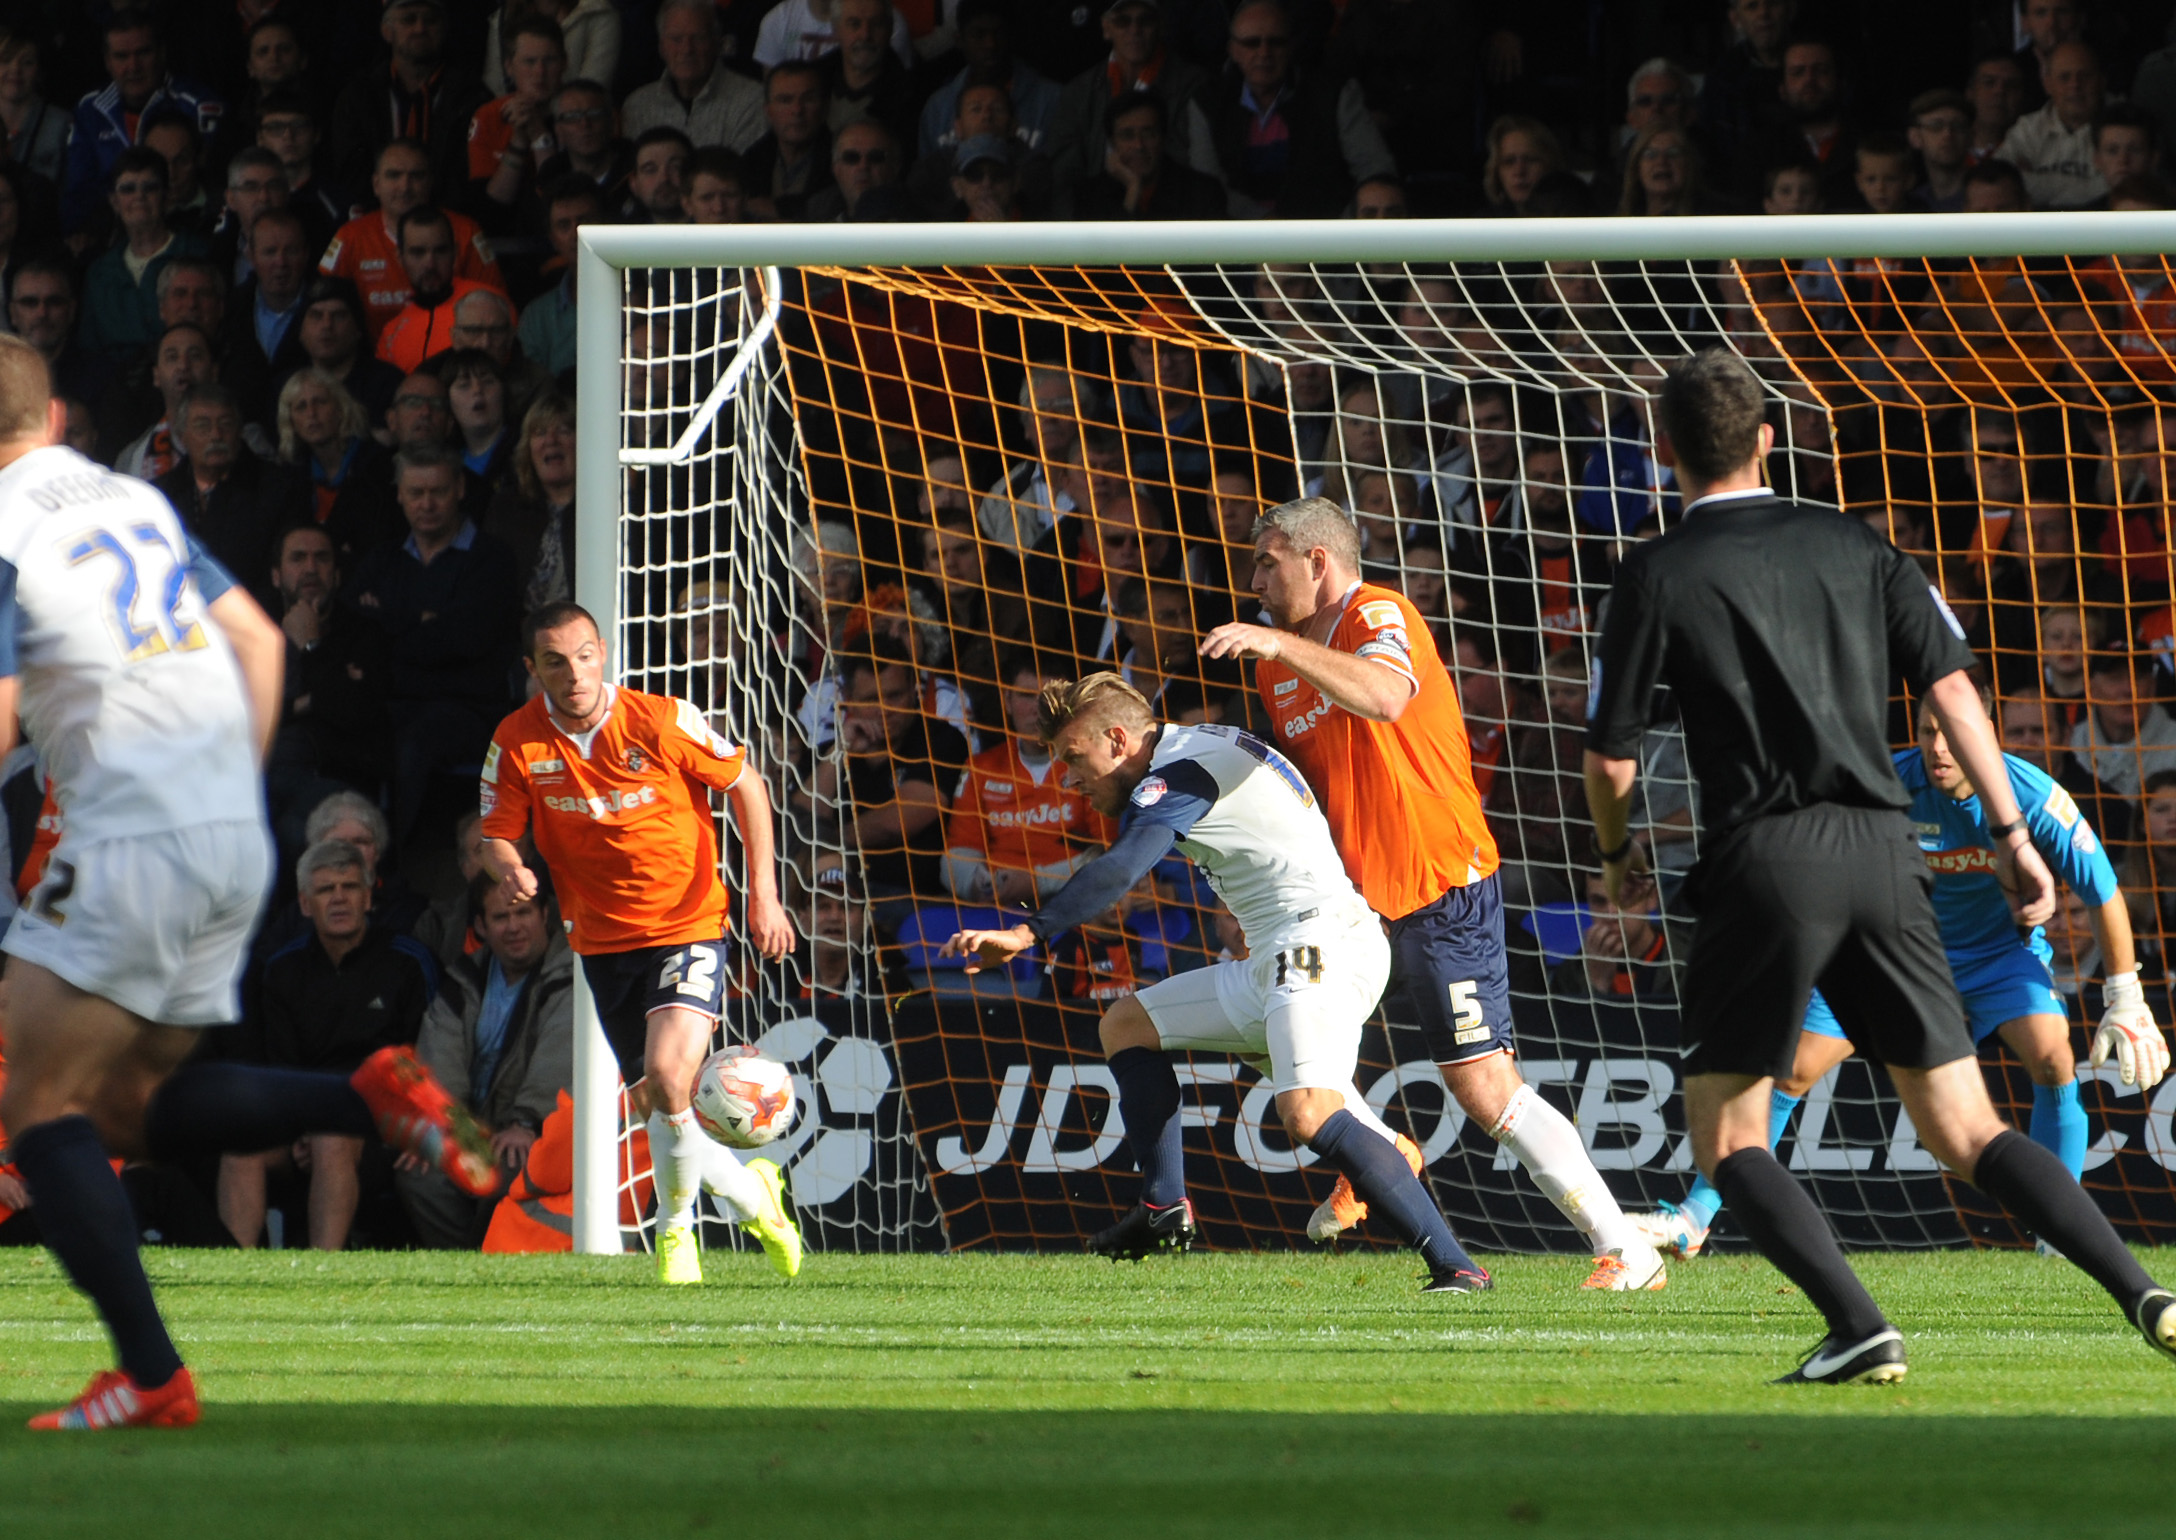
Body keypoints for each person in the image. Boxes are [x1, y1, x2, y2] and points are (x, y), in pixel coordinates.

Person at [1584, 345, 2176, 1382]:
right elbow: (1954, 694)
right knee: (1967, 1127)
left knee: (1731, 1134)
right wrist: (2010, 834)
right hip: (1883, 852)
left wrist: (1616, 852)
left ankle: (1858, 1324)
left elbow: (1609, 756)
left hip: (1766, 860)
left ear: (1665, 447)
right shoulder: (1859, 543)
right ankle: (2146, 1293)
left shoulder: (1656, 569)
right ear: (1769, 439)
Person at [0, 333, 489, 1431]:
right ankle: (363, 1095)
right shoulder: (132, 500)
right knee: (122, 1108)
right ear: (58, 418)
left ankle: (153, 1376)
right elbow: (262, 646)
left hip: (124, 832)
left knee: (37, 1109)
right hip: (225, 829)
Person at [1198, 496, 1667, 1291]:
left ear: (1318, 561)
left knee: (1483, 1086)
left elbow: (1386, 696)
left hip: (1441, 885)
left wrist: (1278, 641)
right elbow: (1303, 793)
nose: (1255, 582)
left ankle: (1627, 1247)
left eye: (1267, 563)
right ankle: (1384, 1151)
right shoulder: (1278, 667)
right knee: (1283, 1030)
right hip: (1356, 900)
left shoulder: (1380, 612)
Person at [940, 674, 1483, 1284]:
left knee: (1306, 1115)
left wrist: (1026, 933)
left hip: (1320, 949)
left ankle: (1457, 1268)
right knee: (1126, 1025)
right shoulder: (1193, 748)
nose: (1069, 778)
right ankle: (1164, 1206)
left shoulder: (1179, 773)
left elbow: (1122, 868)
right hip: (1277, 956)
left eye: (1073, 757)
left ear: (1117, 740)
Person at [1633, 683, 2163, 1259]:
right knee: (1791, 1071)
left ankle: (2058, 1240)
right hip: (1892, 953)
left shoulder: (2031, 794)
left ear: (1982, 735)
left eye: (1951, 733)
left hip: (1997, 958)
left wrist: (2125, 996)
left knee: (2054, 1056)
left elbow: (2102, 891)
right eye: (1927, 731)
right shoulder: (1883, 784)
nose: (1938, 747)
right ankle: (1695, 1217)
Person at [477, 602, 801, 1285]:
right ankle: (756, 1198)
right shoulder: (517, 740)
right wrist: (510, 869)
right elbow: (495, 834)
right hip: (601, 942)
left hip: (688, 923)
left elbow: (747, 784)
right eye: (556, 662)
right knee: (661, 1103)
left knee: (668, 1074)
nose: (575, 674)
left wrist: (763, 894)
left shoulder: (660, 720)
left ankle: (674, 1231)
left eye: (584, 656)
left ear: (603, 653)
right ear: (533, 669)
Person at [218, 838, 439, 1252]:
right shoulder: (282, 969)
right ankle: (236, 1270)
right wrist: (299, 1128)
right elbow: (281, 1069)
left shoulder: (409, 961)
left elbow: (426, 1060)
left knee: (332, 1137)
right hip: (304, 1121)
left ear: (368, 897)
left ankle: (322, 1269)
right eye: (325, 890)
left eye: (349, 887)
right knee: (240, 1148)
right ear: (305, 904)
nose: (338, 898)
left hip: (382, 1126)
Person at [346, 443, 522, 849]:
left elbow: (464, 641)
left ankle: (389, 860)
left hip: (469, 710)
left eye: (437, 492)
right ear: (399, 495)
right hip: (392, 702)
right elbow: (353, 628)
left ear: (459, 489)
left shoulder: (491, 559)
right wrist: (419, 621)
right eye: (416, 493)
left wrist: (388, 621)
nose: (426, 504)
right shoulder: (383, 559)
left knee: (413, 743)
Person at [399, 872, 572, 1249]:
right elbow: (439, 1057)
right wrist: (444, 1128)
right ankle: (462, 1267)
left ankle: (485, 1262)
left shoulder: (571, 975)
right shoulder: (463, 978)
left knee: (503, 1172)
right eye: (500, 917)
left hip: (542, 1133)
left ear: (545, 914)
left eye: (523, 913)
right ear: (480, 926)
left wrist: (526, 1121)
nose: (514, 926)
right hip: (473, 1131)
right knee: (420, 1176)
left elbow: (559, 1059)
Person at [319, 139, 507, 342]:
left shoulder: (465, 231)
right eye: (394, 175)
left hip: (451, 353)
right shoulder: (350, 236)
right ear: (376, 184)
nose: (405, 187)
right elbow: (320, 305)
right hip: (374, 355)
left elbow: (496, 305)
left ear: (430, 182)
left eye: (416, 176)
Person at [61, 11, 226, 238]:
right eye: (122, 56)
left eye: (143, 53)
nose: (133, 66)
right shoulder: (89, 109)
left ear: (161, 53)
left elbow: (212, 182)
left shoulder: (199, 105)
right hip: (109, 234)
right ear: (107, 62)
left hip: (190, 229)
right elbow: (79, 190)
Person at [328, 0, 488, 197]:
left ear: (444, 29)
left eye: (430, 20)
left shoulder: (472, 96)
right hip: (378, 212)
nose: (420, 28)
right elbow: (351, 174)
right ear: (386, 31)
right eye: (408, 20)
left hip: (450, 212)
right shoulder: (358, 96)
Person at [621, 0, 766, 152]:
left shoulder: (751, 101)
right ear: (661, 47)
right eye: (676, 39)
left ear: (716, 43)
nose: (687, 49)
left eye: (698, 38)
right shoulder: (638, 107)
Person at [1998, 40, 2106, 208]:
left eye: (2084, 76)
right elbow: (2002, 185)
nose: (2075, 85)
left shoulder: (2121, 125)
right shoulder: (2027, 129)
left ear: (2101, 80)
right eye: (2064, 77)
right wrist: (2094, 186)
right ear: (2048, 85)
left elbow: (2123, 186)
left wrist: (2036, 183)